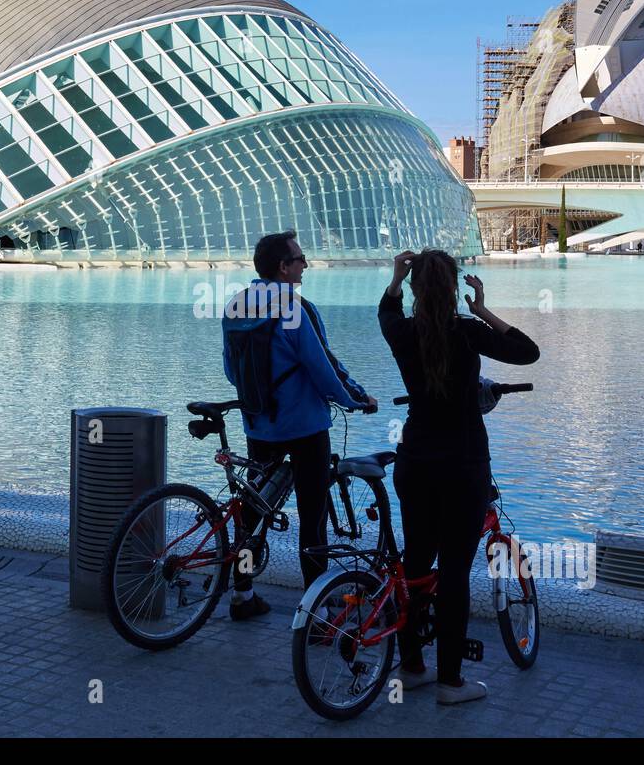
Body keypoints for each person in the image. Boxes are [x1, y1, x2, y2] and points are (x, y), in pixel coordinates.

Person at [378, 250, 538, 705]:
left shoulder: (404, 334)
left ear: (414, 290)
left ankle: (411, 667)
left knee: (415, 567)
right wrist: (481, 307)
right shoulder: (467, 333)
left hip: (415, 463)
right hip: (463, 468)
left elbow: (386, 312)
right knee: (453, 575)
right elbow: (528, 352)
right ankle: (451, 682)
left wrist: (396, 277)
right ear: (453, 291)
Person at [222, 231, 376, 620]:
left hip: (259, 425)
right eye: (299, 258)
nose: (305, 264)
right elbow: (323, 367)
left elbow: (230, 371)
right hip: (305, 427)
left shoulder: (236, 305)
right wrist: (355, 398)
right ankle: (316, 611)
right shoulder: (295, 307)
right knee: (313, 516)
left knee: (252, 512)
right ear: (282, 266)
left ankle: (242, 594)